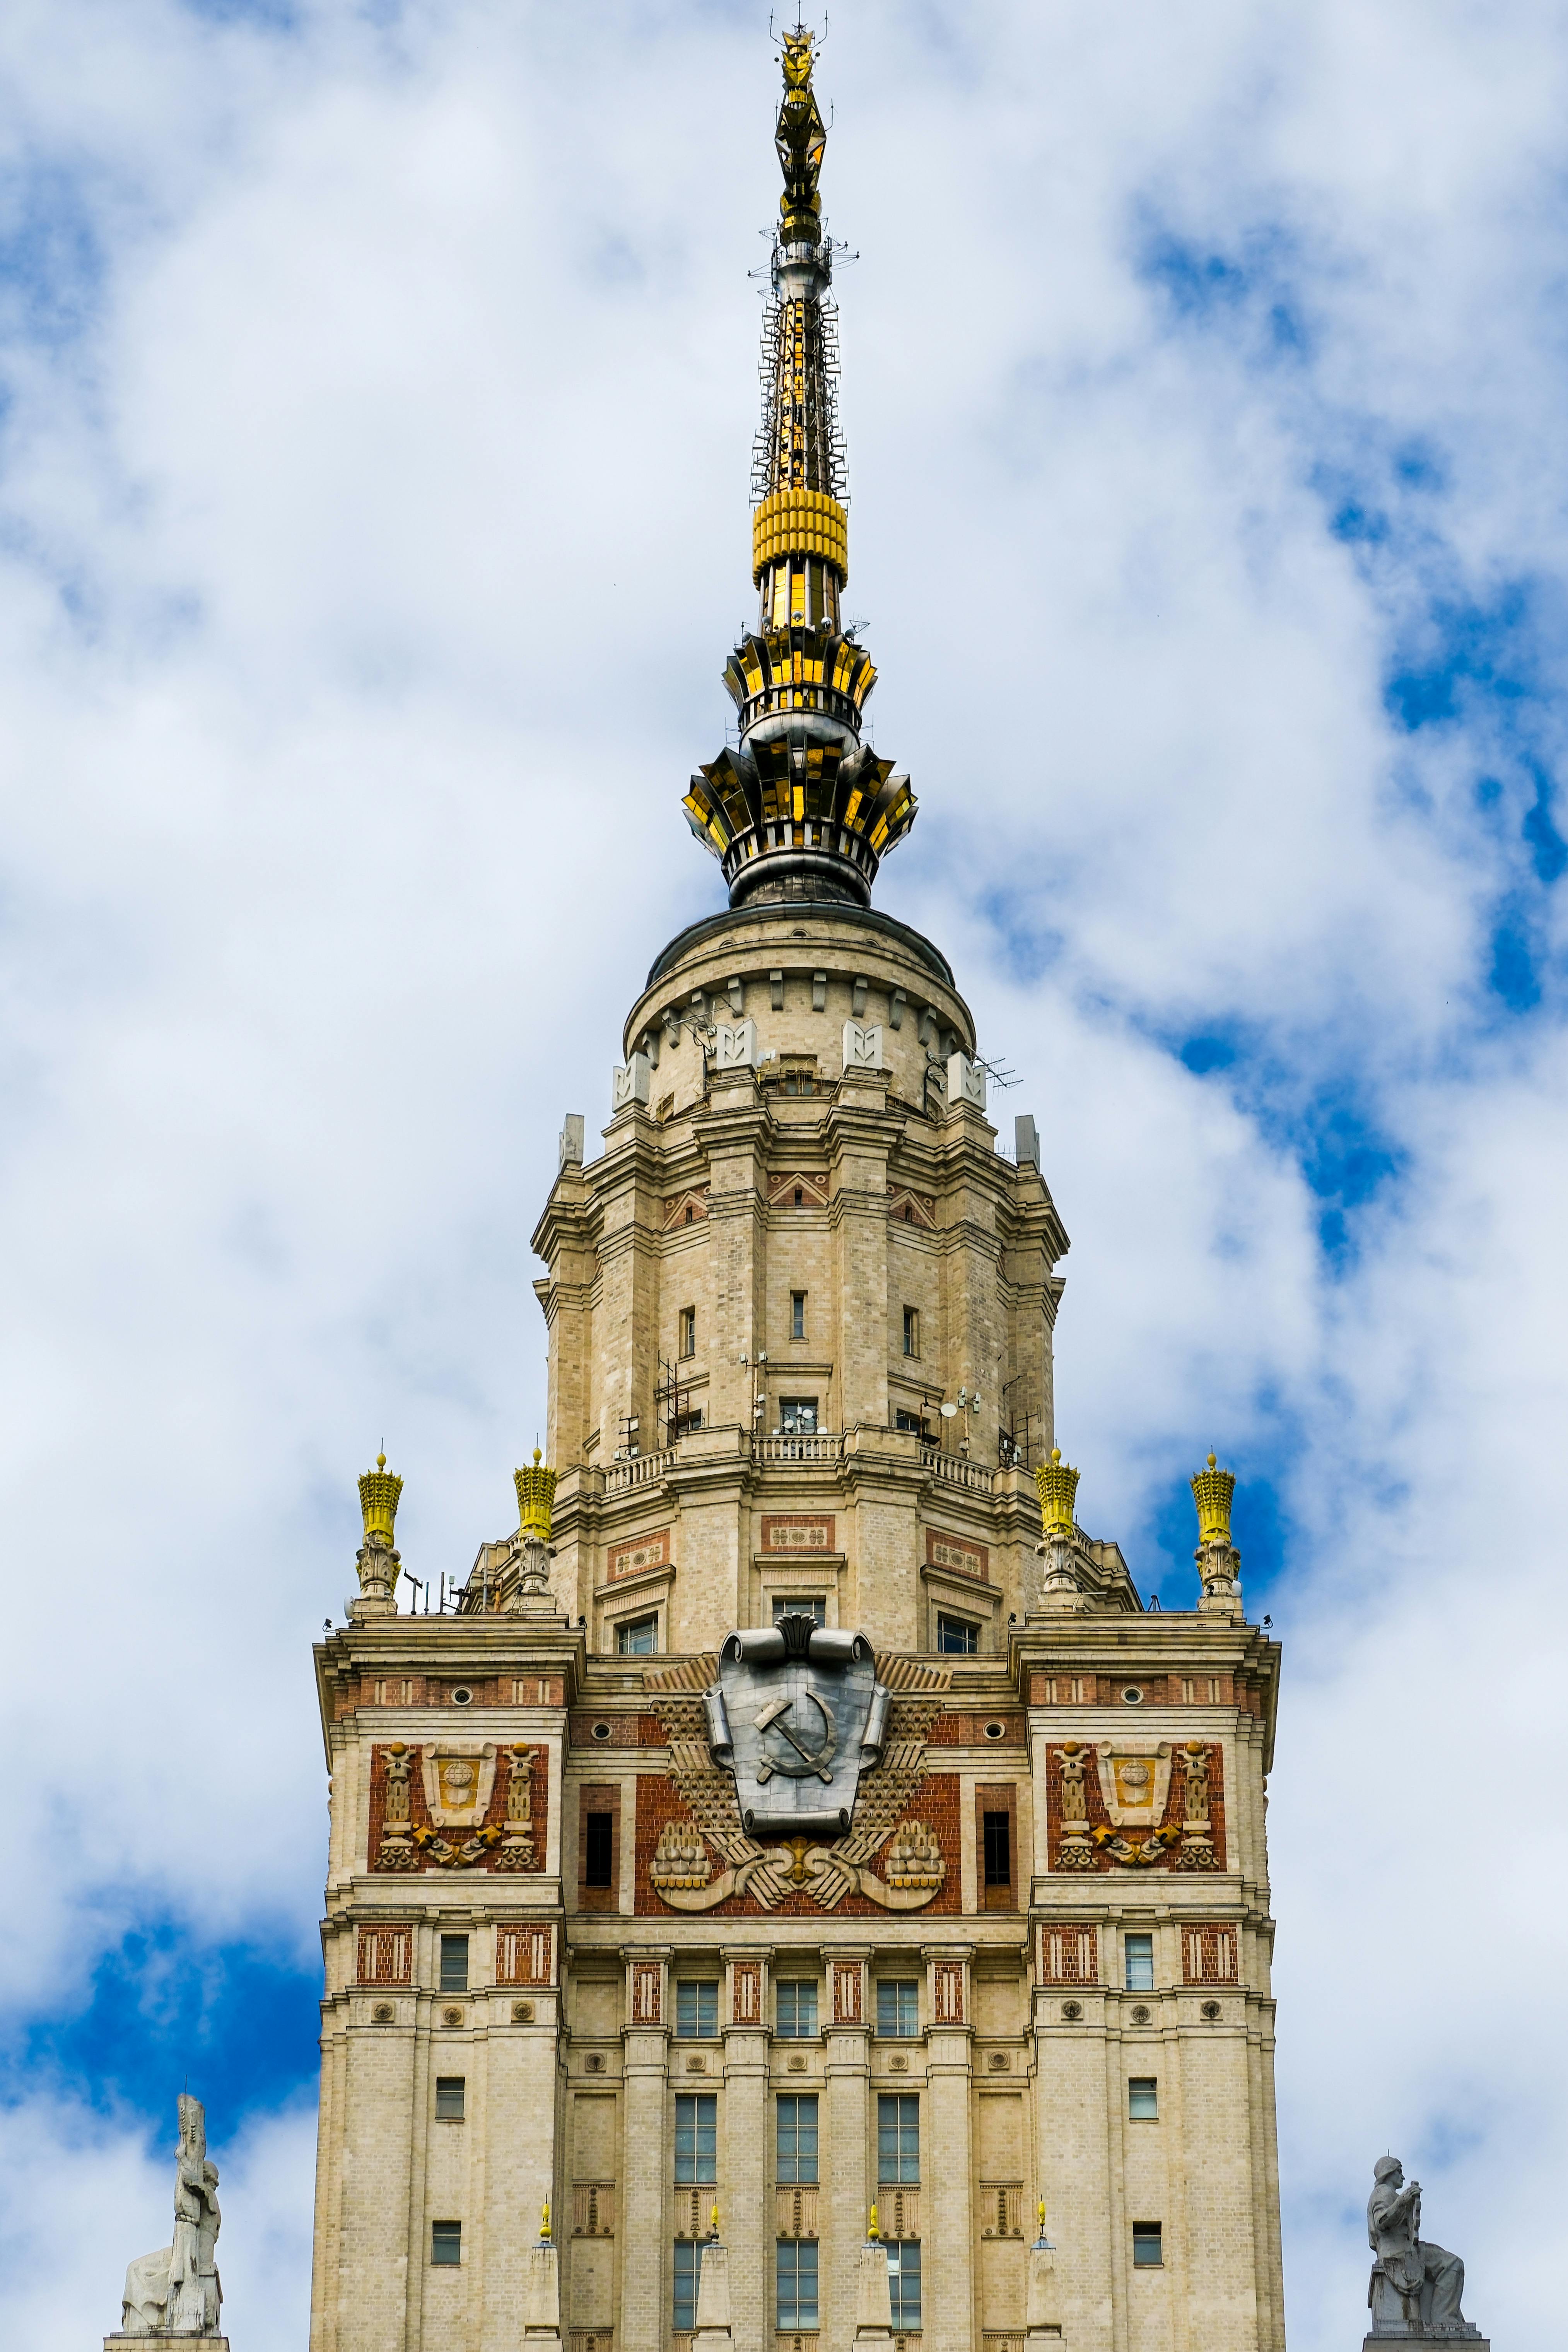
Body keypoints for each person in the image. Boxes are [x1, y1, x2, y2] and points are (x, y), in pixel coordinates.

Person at [1367, 2157, 1467, 2333]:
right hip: (1398, 2252)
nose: (1403, 2177)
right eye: (1399, 2171)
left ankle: (1445, 2314)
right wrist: (1403, 2200)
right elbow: (1382, 2221)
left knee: (1448, 2260)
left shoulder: (1388, 2193)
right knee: (1453, 2264)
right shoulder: (1382, 2192)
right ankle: (1443, 2317)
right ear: (1389, 2173)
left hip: (1407, 2249)